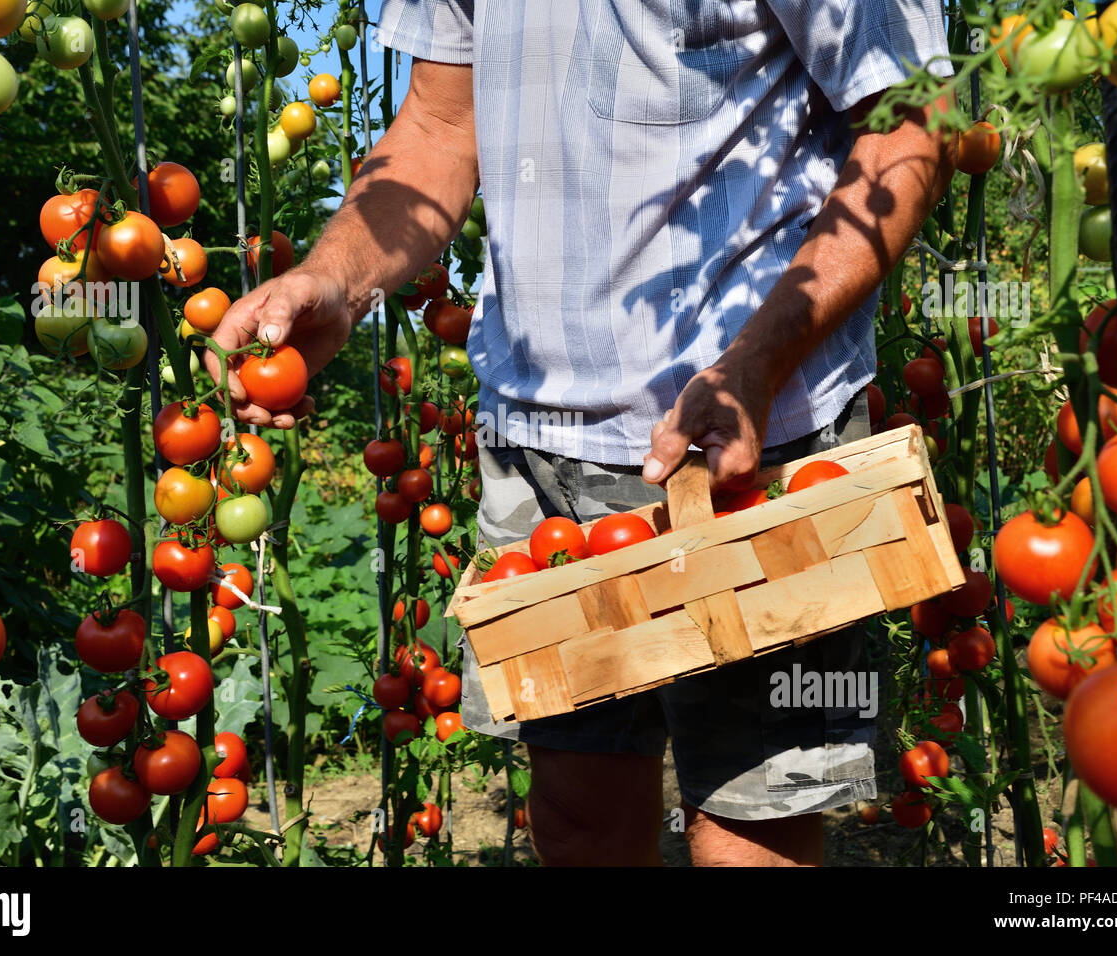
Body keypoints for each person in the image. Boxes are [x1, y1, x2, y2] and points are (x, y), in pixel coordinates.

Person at [207, 1, 957, 866]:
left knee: (752, 822)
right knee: (576, 814)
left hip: (750, 441)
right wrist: (333, 275)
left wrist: (761, 361)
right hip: (537, 453)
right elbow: (440, 127)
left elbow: (912, 115)